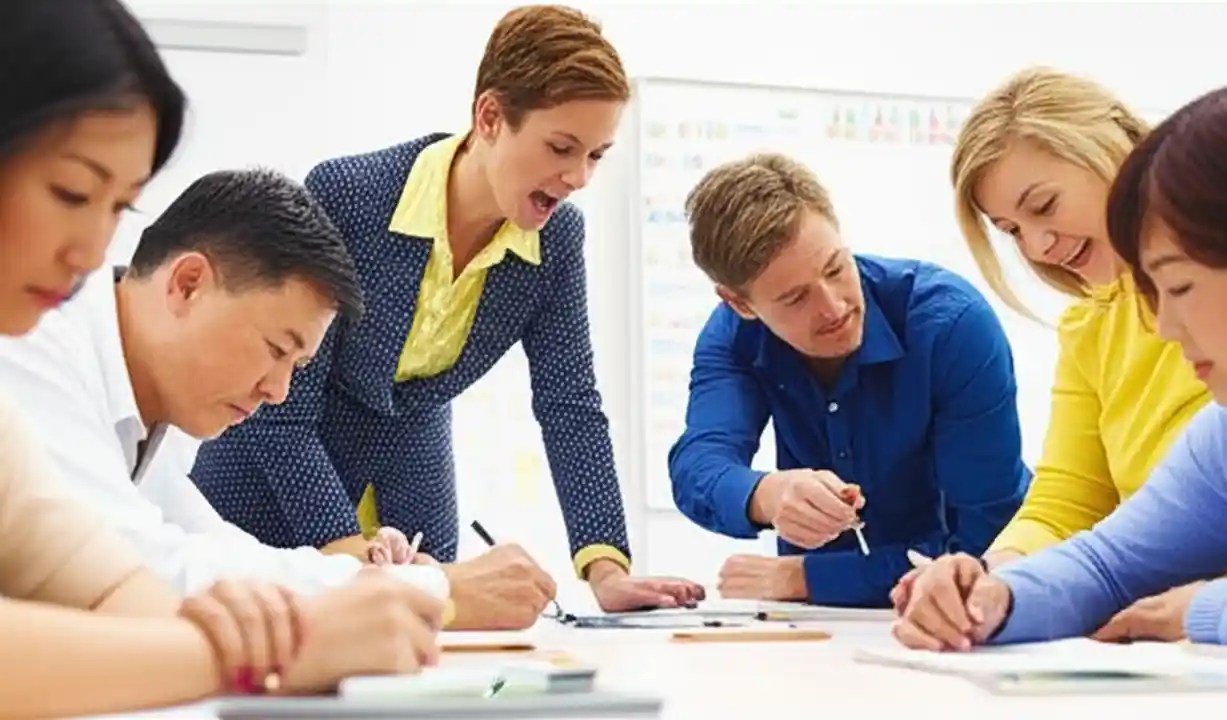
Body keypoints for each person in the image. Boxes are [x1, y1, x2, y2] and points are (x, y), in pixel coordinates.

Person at [190, 4, 704, 629]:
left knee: (427, 660)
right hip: (282, 469)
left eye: (597, 155)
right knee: (252, 640)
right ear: (490, 117)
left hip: (411, 475)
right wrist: (348, 554)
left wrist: (607, 570)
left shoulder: (556, 241)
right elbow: (282, 403)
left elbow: (570, 402)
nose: (577, 177)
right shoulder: (349, 194)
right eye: (561, 147)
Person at [0, 1, 444, 717]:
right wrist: (271, 650)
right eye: (71, 192)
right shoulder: (39, 349)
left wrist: (290, 626)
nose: (88, 253)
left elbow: (114, 583)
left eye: (117, 209)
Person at [892, 79, 1227, 654]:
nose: (1166, 326)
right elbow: (1103, 561)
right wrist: (995, 594)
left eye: (1178, 286)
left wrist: (1202, 608)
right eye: (1011, 231)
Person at [0, 167, 451, 598]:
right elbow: (126, 565)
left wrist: (365, 573)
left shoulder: (152, 404)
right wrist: (424, 588)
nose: (278, 391)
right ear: (188, 284)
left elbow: (208, 547)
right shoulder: (34, 342)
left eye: (297, 365)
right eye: (276, 349)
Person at [667, 152, 1031, 607]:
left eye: (837, 268)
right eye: (795, 298)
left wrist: (808, 579)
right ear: (740, 304)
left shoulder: (950, 324)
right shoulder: (734, 336)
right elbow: (697, 466)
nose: (834, 307)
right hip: (820, 634)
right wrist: (768, 495)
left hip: (960, 615)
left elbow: (984, 546)